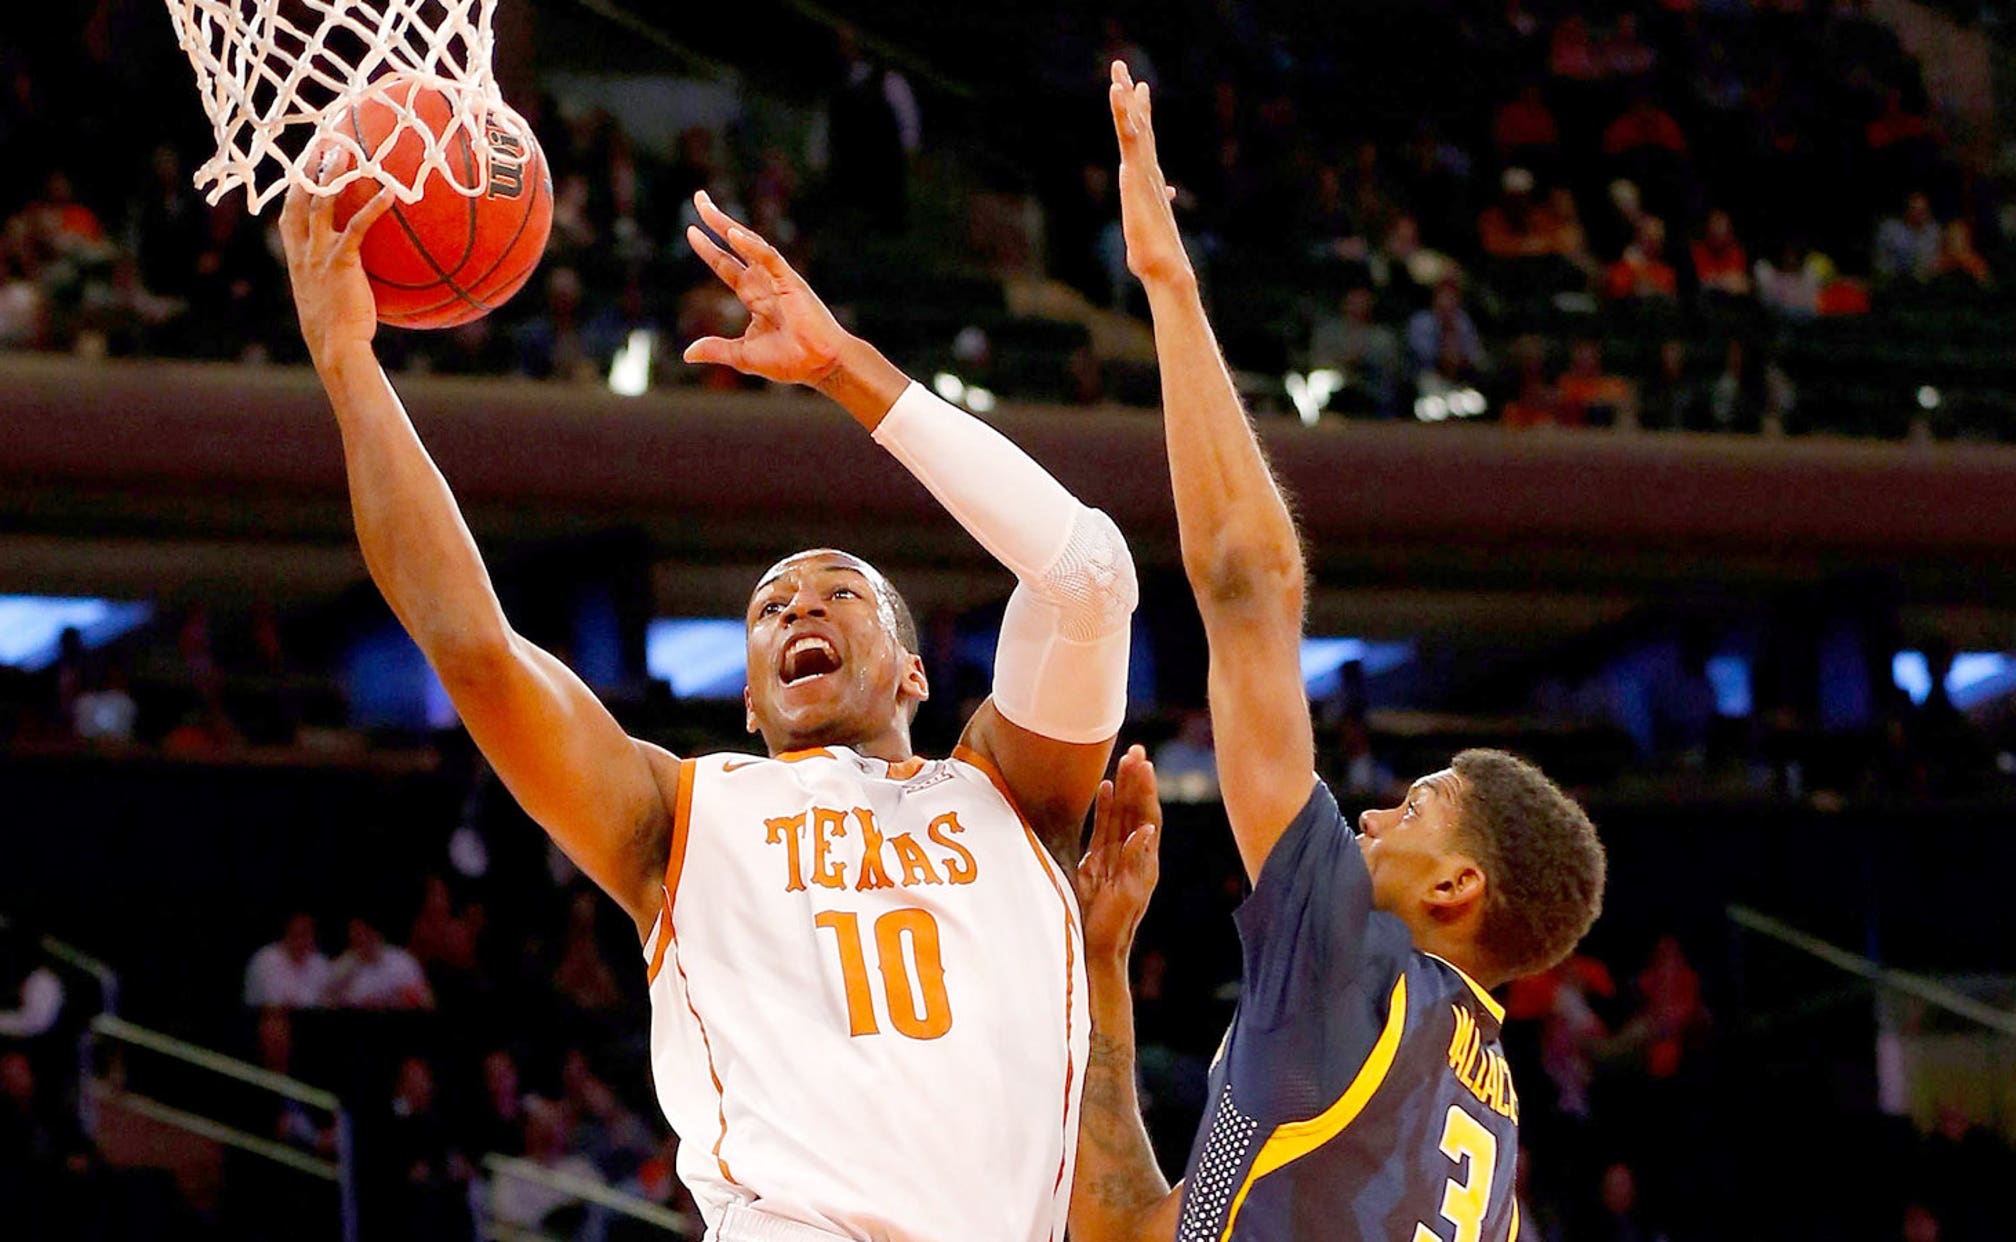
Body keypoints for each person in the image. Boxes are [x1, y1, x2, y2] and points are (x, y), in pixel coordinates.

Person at [280, 158, 1136, 1241]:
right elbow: (474, 648)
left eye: (841, 593)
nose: (798, 607)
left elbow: (1089, 577)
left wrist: (843, 368)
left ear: (914, 671)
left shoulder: (1013, 792)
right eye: (770, 607)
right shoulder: (682, 812)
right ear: (748, 702)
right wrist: (348, 366)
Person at [1065, 64, 1606, 1242]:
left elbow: (1249, 585)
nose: (1370, 816)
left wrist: (1168, 282)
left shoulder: (1354, 973)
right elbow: (1132, 1231)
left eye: (1416, 807)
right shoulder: (1484, 1138)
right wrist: (1104, 969)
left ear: (1455, 889)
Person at [324, 918, 433, 1011]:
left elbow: (426, 1001)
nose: (362, 939)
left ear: (376, 934)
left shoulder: (402, 962)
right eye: (356, 934)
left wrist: (394, 999)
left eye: (366, 933)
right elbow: (327, 1000)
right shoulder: (342, 967)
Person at [242, 912, 332, 1010]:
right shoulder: (266, 960)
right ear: (286, 934)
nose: (301, 940)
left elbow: (329, 1000)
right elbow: (279, 1003)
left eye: (306, 933)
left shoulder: (318, 961)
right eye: (295, 934)